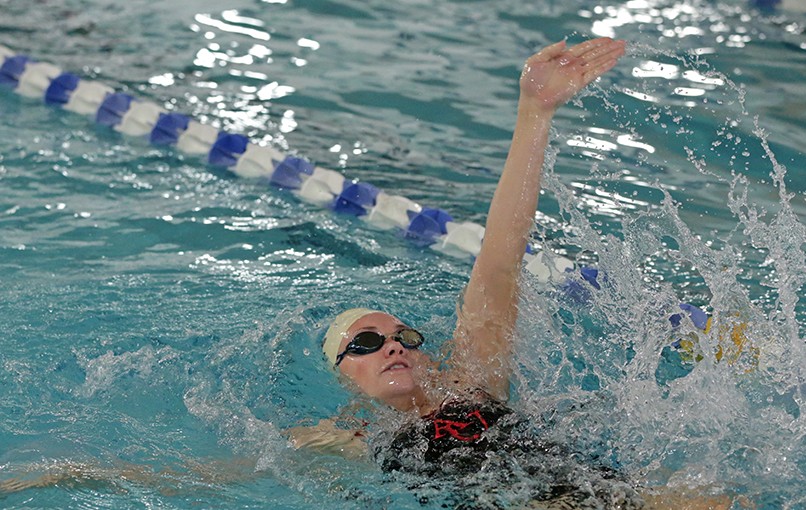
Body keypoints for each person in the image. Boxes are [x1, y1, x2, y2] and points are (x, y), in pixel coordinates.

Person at [285, 38, 735, 510]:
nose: (393, 345)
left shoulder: (471, 382)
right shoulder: (347, 439)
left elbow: (500, 259)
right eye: (366, 343)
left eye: (404, 336)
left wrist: (534, 113)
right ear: (341, 377)